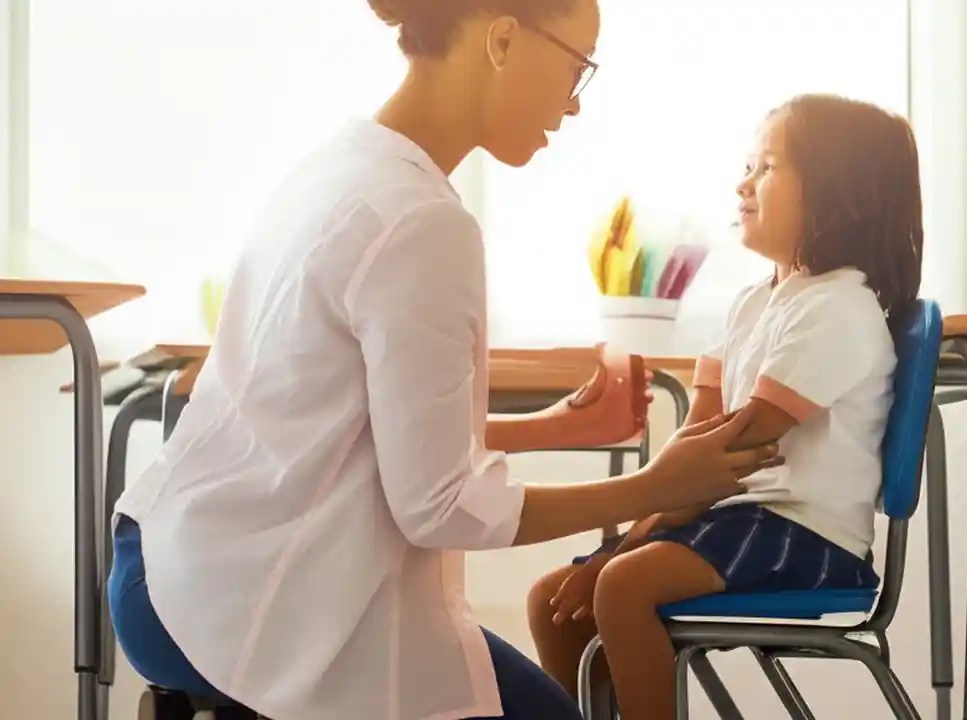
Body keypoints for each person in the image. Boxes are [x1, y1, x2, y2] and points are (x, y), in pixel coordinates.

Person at [106, 1, 780, 718]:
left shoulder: (344, 165)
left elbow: (348, 426)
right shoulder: (422, 221)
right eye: (577, 66)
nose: (575, 104)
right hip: (234, 606)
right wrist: (652, 487)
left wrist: (552, 429)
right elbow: (439, 508)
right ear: (503, 39)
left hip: (171, 561)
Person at [527, 94, 925, 719]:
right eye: (748, 166)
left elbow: (727, 457)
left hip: (807, 534)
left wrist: (619, 552)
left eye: (767, 167)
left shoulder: (838, 309)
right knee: (552, 600)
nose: (743, 183)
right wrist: (624, 542)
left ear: (837, 191)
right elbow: (689, 451)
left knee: (624, 585)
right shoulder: (751, 305)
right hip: (735, 518)